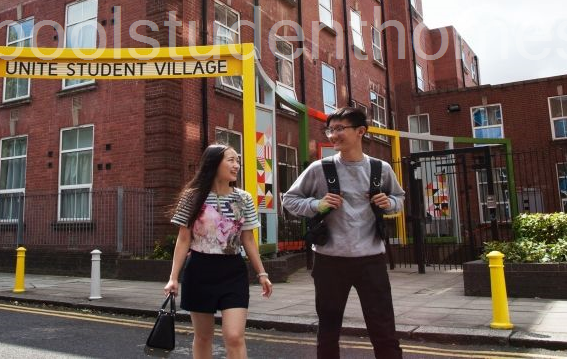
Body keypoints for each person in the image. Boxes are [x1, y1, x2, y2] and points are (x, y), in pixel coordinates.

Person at [282, 107, 405, 359]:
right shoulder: (320, 168)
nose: (333, 135)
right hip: (329, 260)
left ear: (360, 131)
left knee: (383, 328)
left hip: (371, 259)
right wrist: (317, 205)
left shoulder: (379, 169)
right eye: (331, 129)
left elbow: (399, 198)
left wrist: (388, 203)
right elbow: (290, 200)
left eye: (340, 129)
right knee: (328, 329)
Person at [164, 144, 272, 359]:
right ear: (214, 164)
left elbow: (248, 239)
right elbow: (184, 238)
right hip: (199, 270)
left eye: (237, 161)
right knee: (203, 337)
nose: (236, 165)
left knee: (234, 336)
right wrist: (173, 278)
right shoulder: (192, 197)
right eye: (230, 160)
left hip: (233, 271)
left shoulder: (244, 198)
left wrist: (262, 273)